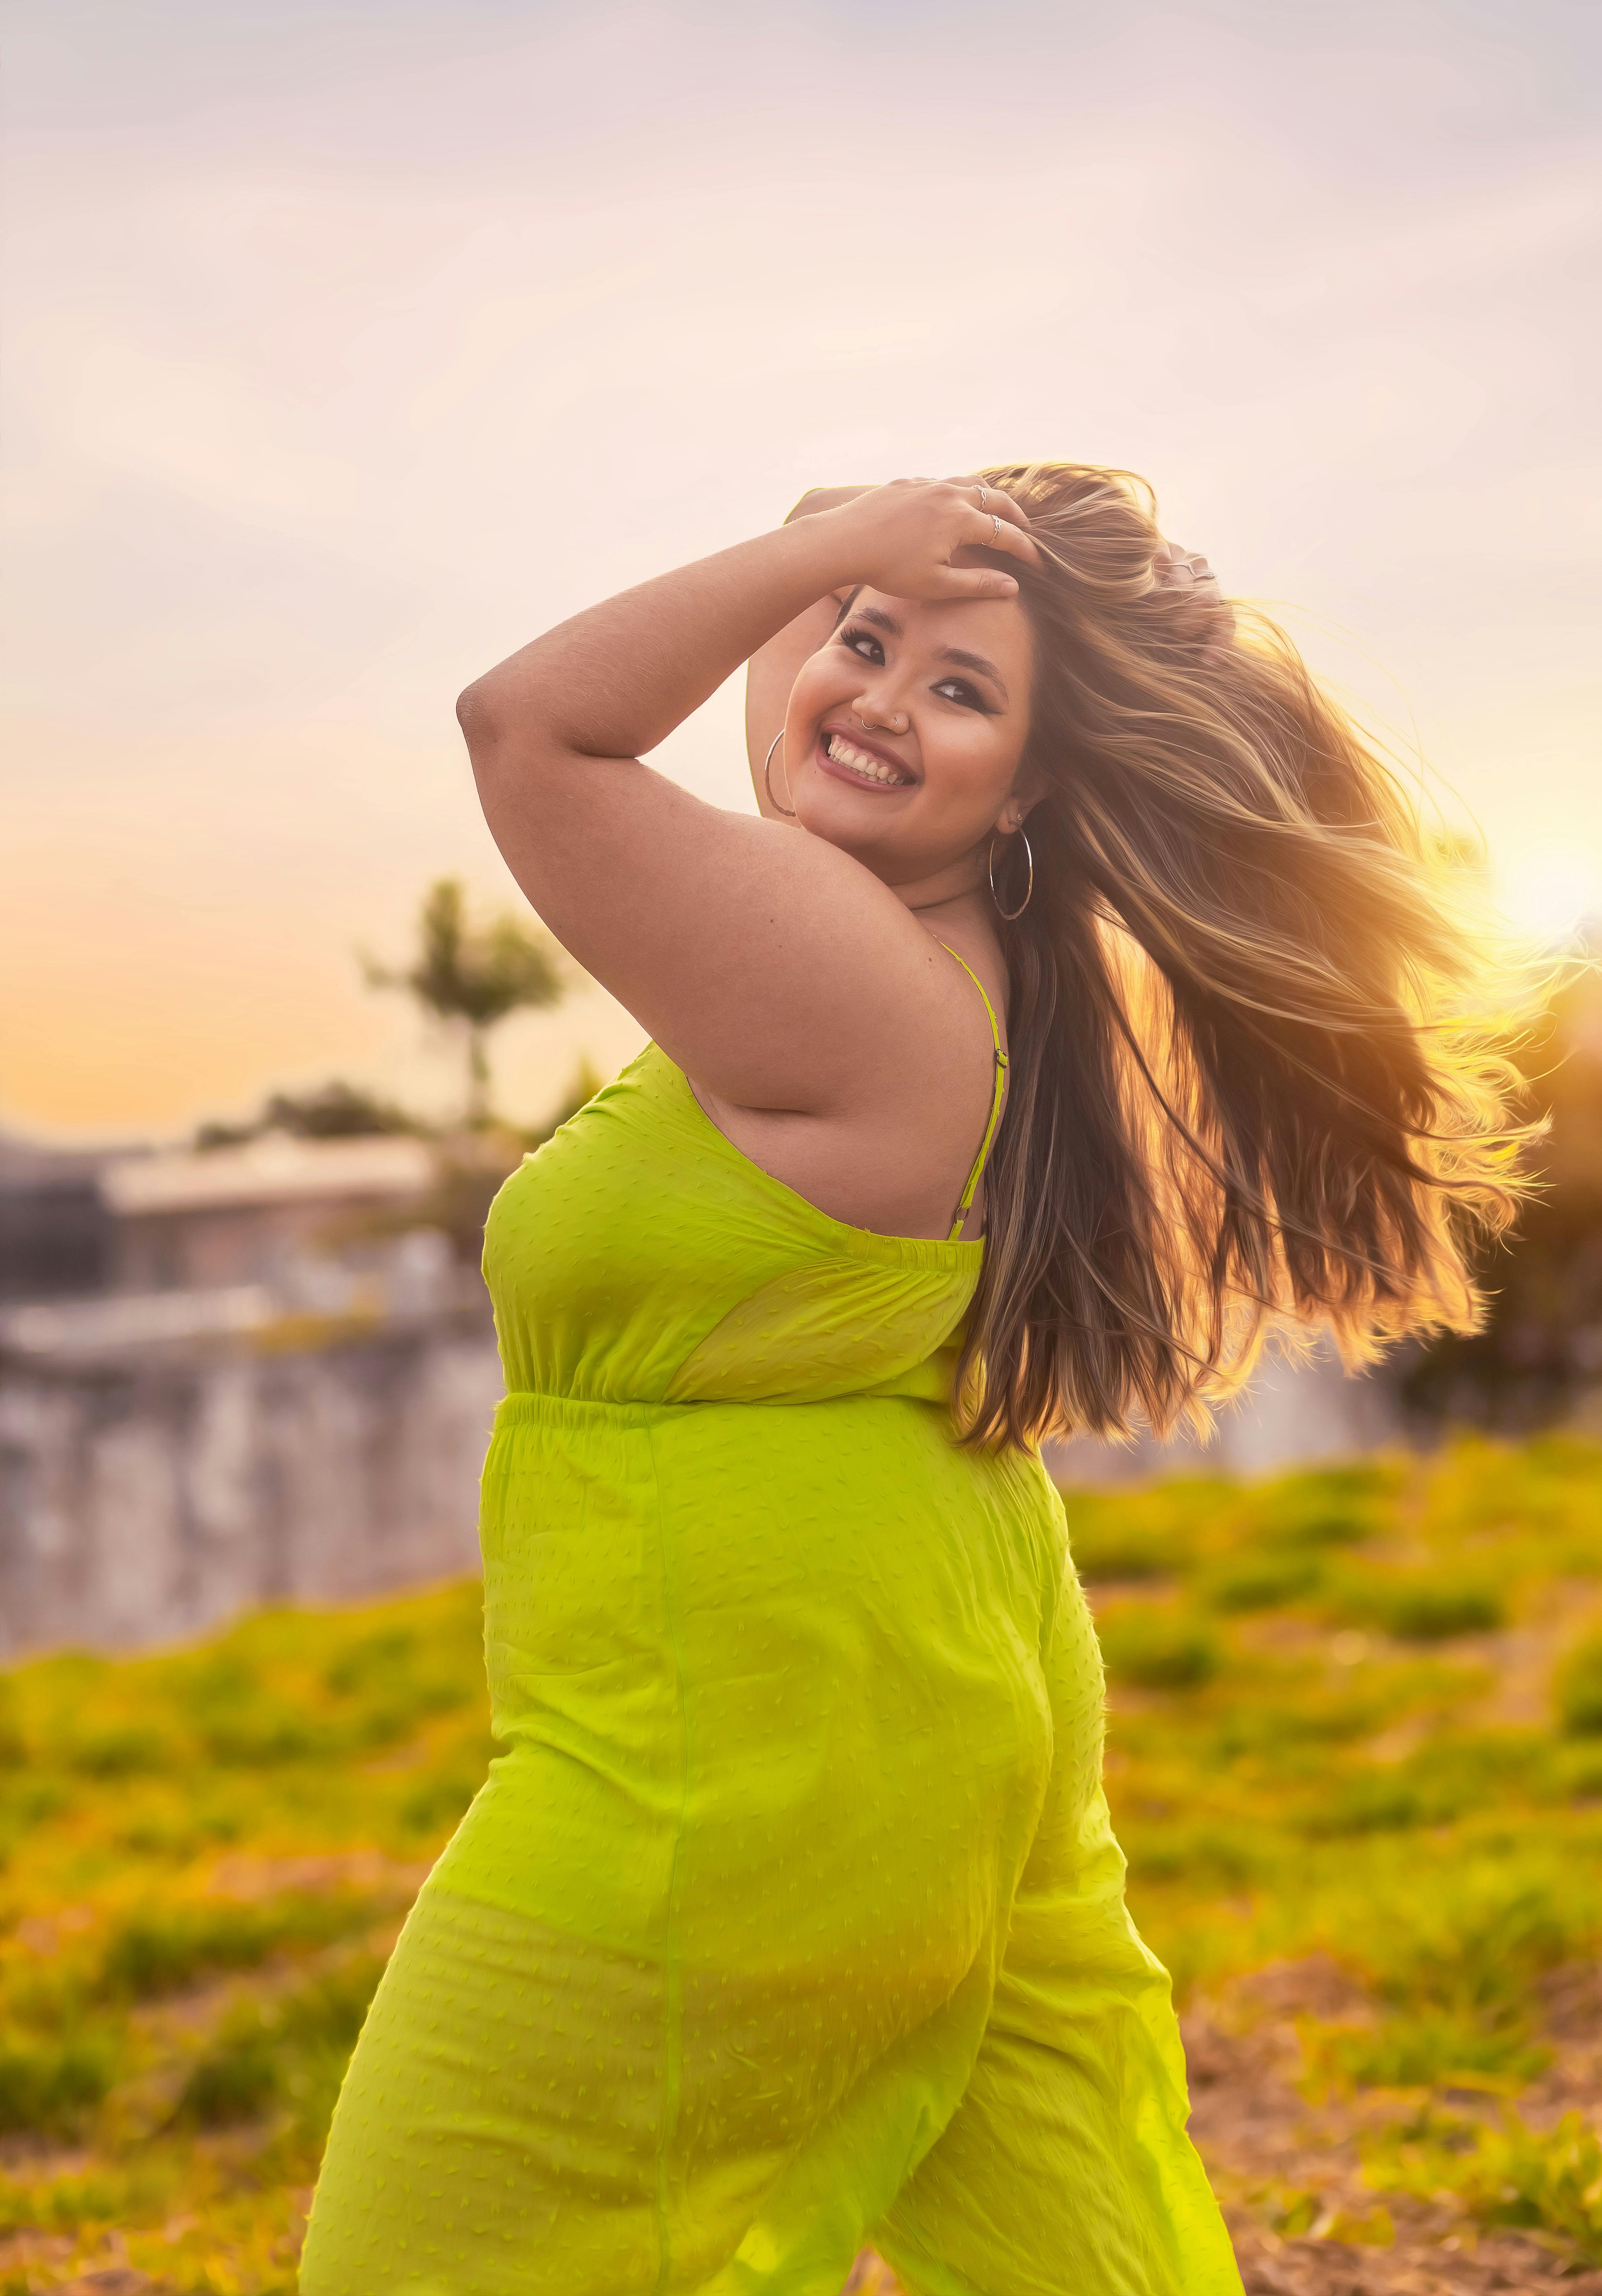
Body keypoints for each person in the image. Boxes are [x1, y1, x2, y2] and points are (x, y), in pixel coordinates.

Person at [301, 466, 1523, 2295]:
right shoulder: (902, 934)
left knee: (442, 2245)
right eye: (867, 653)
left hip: (752, 1733)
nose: (872, 698)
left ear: (1025, 788)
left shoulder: (831, 969)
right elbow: (801, 657)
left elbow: (529, 728)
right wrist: (871, 562)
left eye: (960, 695)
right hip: (906, 1659)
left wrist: (840, 562)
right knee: (1057, 2208)